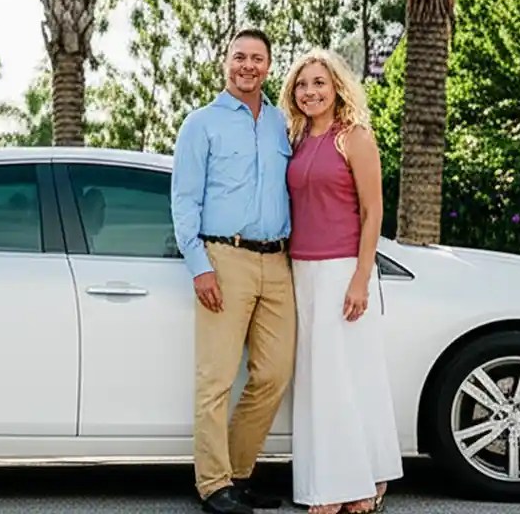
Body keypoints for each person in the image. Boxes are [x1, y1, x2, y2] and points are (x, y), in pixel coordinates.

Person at [171, 28, 295, 514]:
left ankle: (240, 475)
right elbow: (184, 200)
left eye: (257, 58)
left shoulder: (282, 124)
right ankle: (213, 484)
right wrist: (200, 266)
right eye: (239, 57)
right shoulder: (200, 124)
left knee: (275, 373)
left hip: (278, 261)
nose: (248, 65)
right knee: (216, 378)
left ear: (268, 65)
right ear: (225, 62)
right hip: (224, 257)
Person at [280, 49, 402, 514]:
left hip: (341, 270)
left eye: (318, 83)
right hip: (301, 270)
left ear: (336, 88)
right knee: (318, 381)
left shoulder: (354, 137)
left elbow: (373, 212)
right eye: (302, 85)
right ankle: (346, 482)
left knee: (346, 379)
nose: (310, 91)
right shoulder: (294, 139)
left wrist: (360, 278)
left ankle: (353, 487)